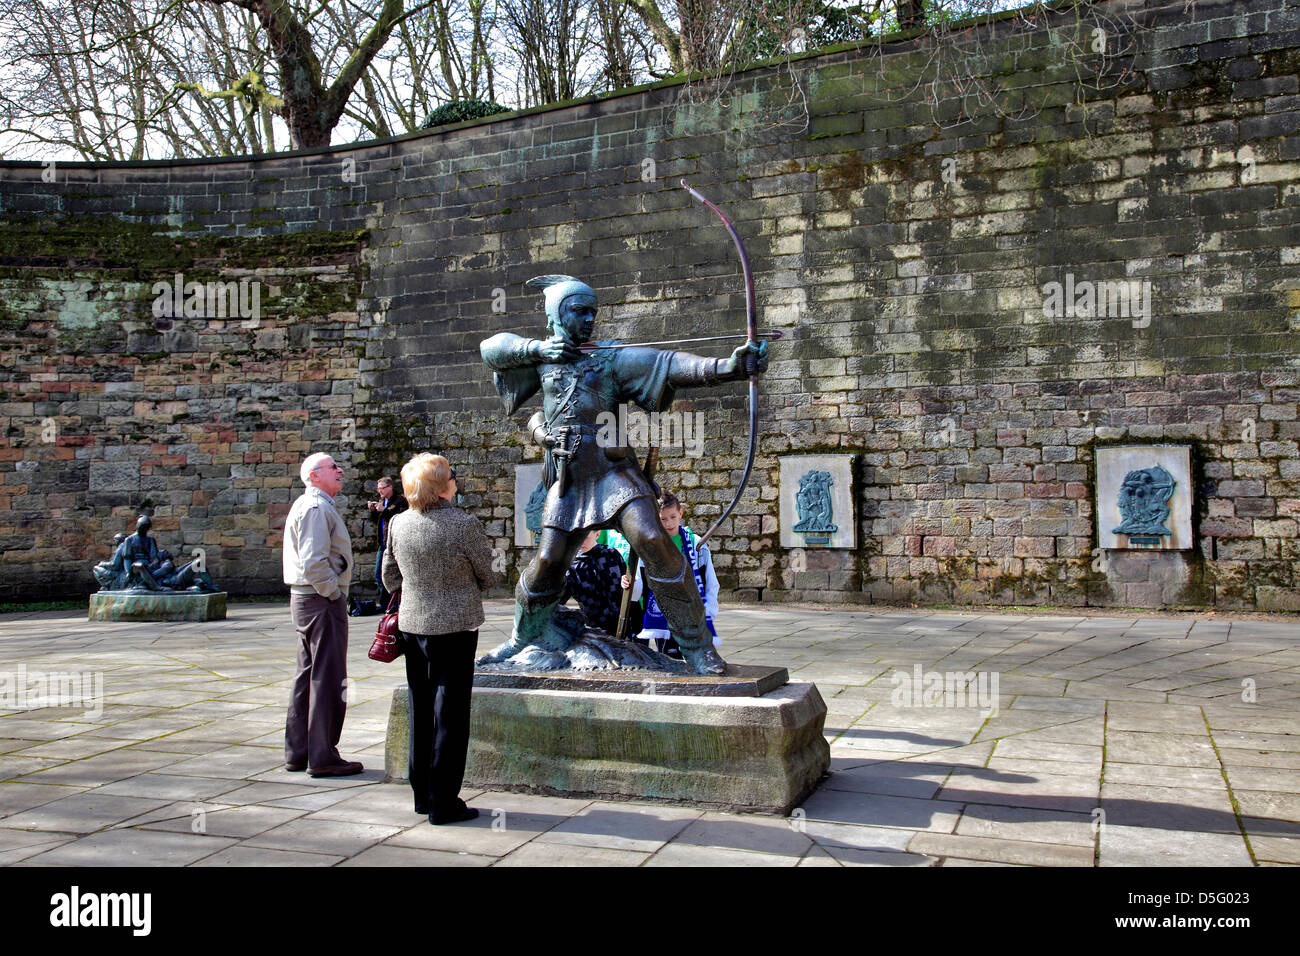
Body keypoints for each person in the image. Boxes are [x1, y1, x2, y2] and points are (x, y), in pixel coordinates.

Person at [478, 274, 766, 675]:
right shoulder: (542, 357)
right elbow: (490, 349)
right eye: (579, 311)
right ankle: (521, 638)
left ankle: (699, 649)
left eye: (593, 311)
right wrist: (538, 348)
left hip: (614, 472)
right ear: (556, 315)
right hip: (569, 477)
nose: (589, 318)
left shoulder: (609, 357)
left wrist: (728, 367)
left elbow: (667, 363)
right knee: (546, 561)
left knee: (651, 537)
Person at [383, 453, 500, 825]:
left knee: (420, 708)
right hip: (455, 628)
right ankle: (443, 802)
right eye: (451, 475)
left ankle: (422, 795)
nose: (455, 479)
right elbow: (489, 575)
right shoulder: (463, 524)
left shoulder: (398, 523)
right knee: (450, 714)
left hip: (413, 625)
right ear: (441, 485)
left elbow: (389, 576)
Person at [281, 451, 362, 777]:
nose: (340, 470)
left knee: (307, 675)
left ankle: (299, 751)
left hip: (307, 600)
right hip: (319, 601)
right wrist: (333, 593)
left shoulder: (313, 505)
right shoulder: (315, 508)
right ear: (314, 476)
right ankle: (323, 755)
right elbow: (314, 561)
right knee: (327, 678)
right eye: (332, 467)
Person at [622, 493, 720, 658]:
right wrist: (629, 583)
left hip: (691, 613)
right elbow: (639, 584)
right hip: (663, 613)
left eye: (673, 517)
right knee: (669, 657)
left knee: (697, 657)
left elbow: (709, 580)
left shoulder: (696, 545)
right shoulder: (649, 546)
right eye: (663, 519)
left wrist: (709, 610)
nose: (669, 523)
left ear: (680, 514)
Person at [560, 531, 628, 635]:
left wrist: (628, 582)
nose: (581, 542)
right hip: (594, 631)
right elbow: (559, 600)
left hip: (622, 626)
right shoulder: (571, 567)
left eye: (586, 537)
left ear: (597, 534)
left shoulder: (611, 554)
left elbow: (628, 585)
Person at [367, 475, 408, 610]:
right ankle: (386, 603)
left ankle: (394, 603)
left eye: (382, 488)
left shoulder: (400, 501)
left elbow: (399, 517)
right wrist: (373, 511)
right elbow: (378, 521)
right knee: (379, 575)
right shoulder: (382, 501)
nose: (380, 491)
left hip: (395, 542)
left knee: (394, 574)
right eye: (378, 489)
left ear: (390, 487)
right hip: (383, 542)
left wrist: (383, 510)